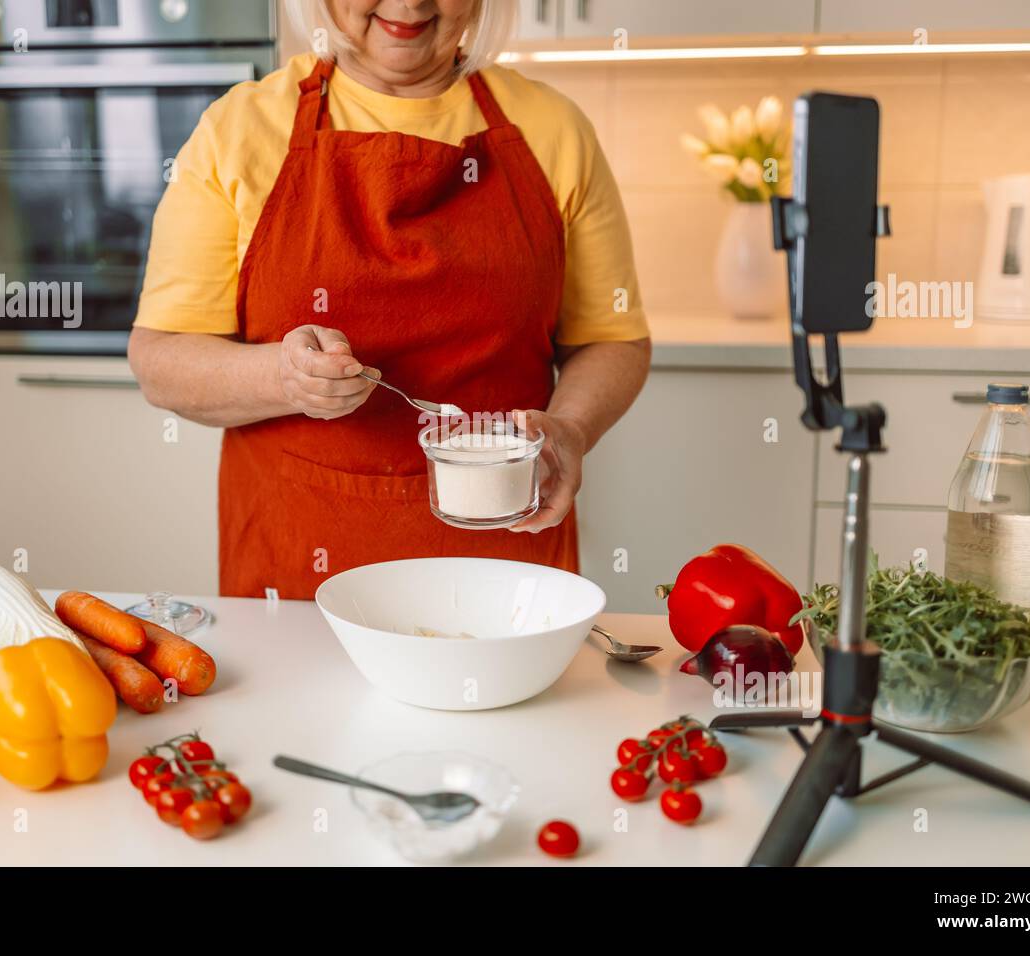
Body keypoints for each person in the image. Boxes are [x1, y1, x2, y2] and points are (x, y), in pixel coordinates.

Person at [128, 0, 650, 598]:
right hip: (299, 570)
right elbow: (160, 359)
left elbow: (613, 339)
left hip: (505, 567)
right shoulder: (239, 129)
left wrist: (572, 428)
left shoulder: (555, 129)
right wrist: (283, 377)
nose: (409, 4)